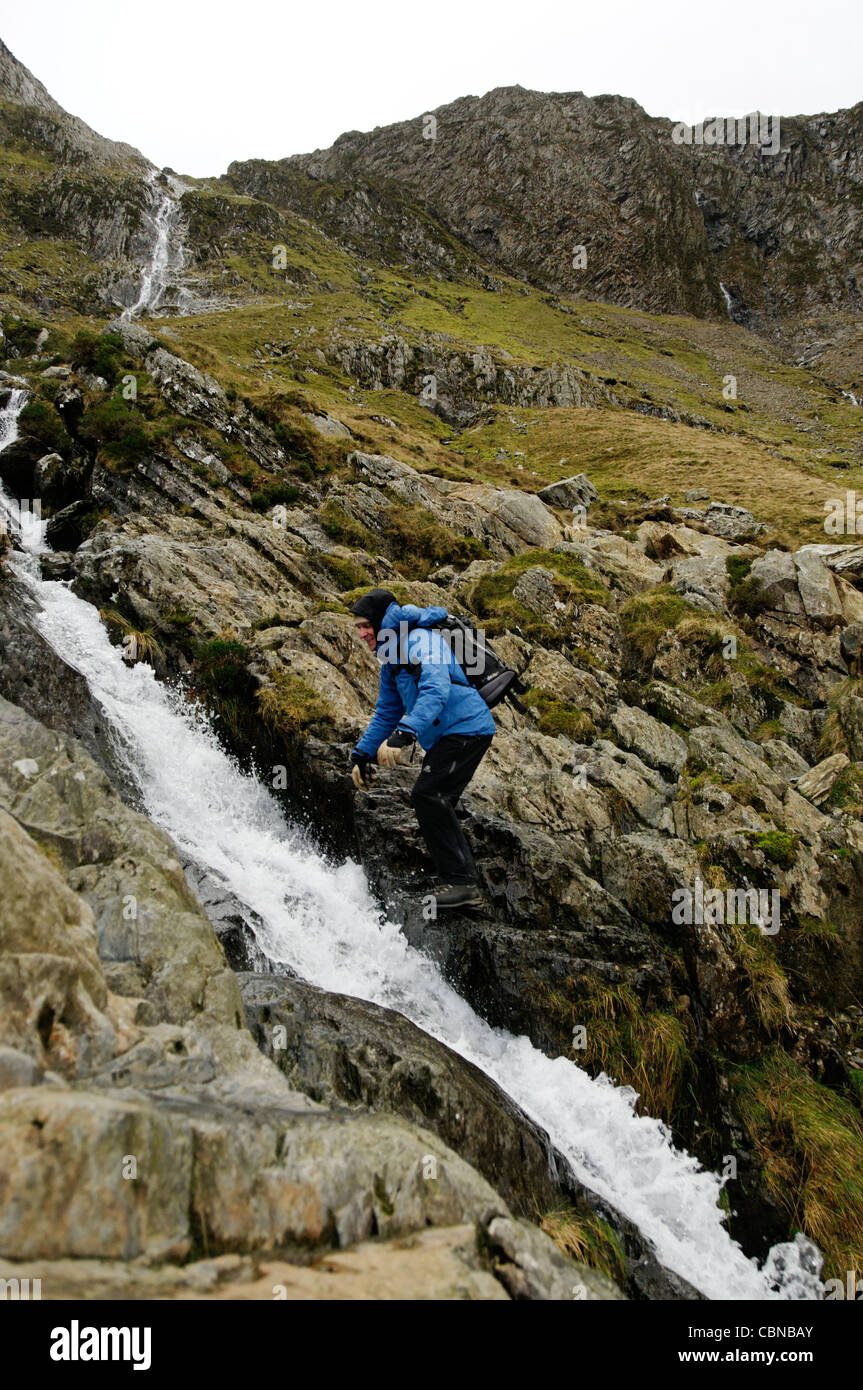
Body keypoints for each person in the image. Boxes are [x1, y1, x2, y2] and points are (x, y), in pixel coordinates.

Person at [348, 588, 495, 911]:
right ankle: (458, 876)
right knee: (435, 798)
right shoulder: (391, 658)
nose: (361, 634)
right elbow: (387, 710)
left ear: (380, 621)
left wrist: (405, 733)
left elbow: (436, 688)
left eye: (365, 626)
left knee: (430, 795)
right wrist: (363, 753)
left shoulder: (420, 641)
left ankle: (464, 886)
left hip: (468, 728)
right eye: (358, 627)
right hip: (449, 734)